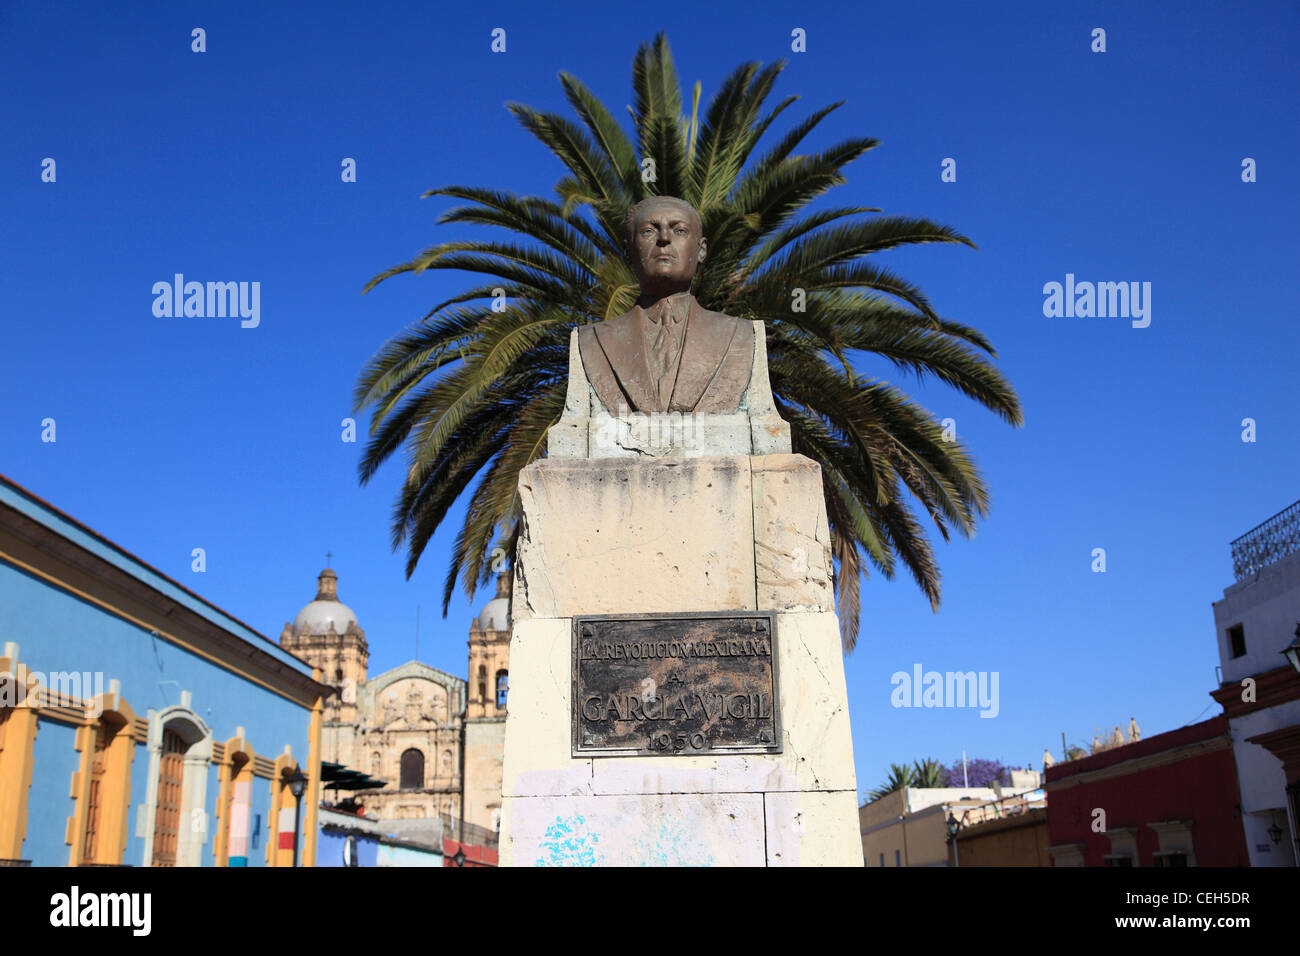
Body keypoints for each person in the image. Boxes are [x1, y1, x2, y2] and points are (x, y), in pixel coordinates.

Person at [578, 196, 753, 414]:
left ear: (701, 250)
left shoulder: (743, 335)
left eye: (679, 230)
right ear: (628, 251)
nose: (664, 238)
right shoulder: (589, 341)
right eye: (648, 231)